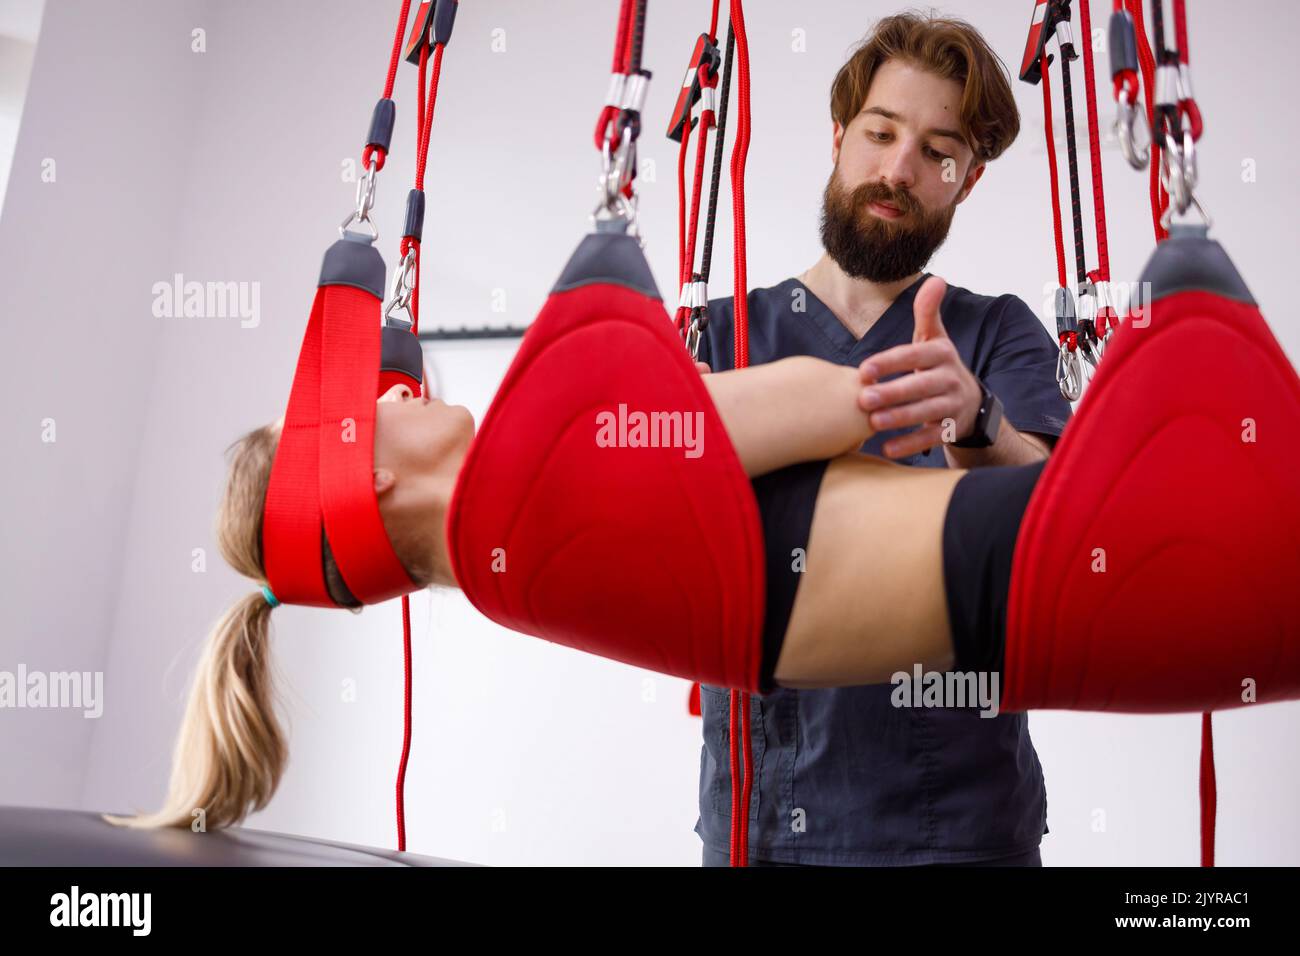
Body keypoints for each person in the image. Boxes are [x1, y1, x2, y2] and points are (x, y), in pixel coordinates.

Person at [107, 294, 1060, 833]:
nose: (396, 388)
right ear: (377, 475)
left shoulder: (496, 574)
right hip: (1032, 560)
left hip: (1013, 592)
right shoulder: (536, 476)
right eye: (366, 403)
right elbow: (835, 397)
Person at [691, 11, 1069, 868]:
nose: (899, 169)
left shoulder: (994, 334)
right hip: (756, 830)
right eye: (881, 132)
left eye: (938, 151)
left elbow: (1060, 519)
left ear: (965, 182)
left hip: (963, 836)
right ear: (838, 137)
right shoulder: (720, 339)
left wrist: (978, 424)